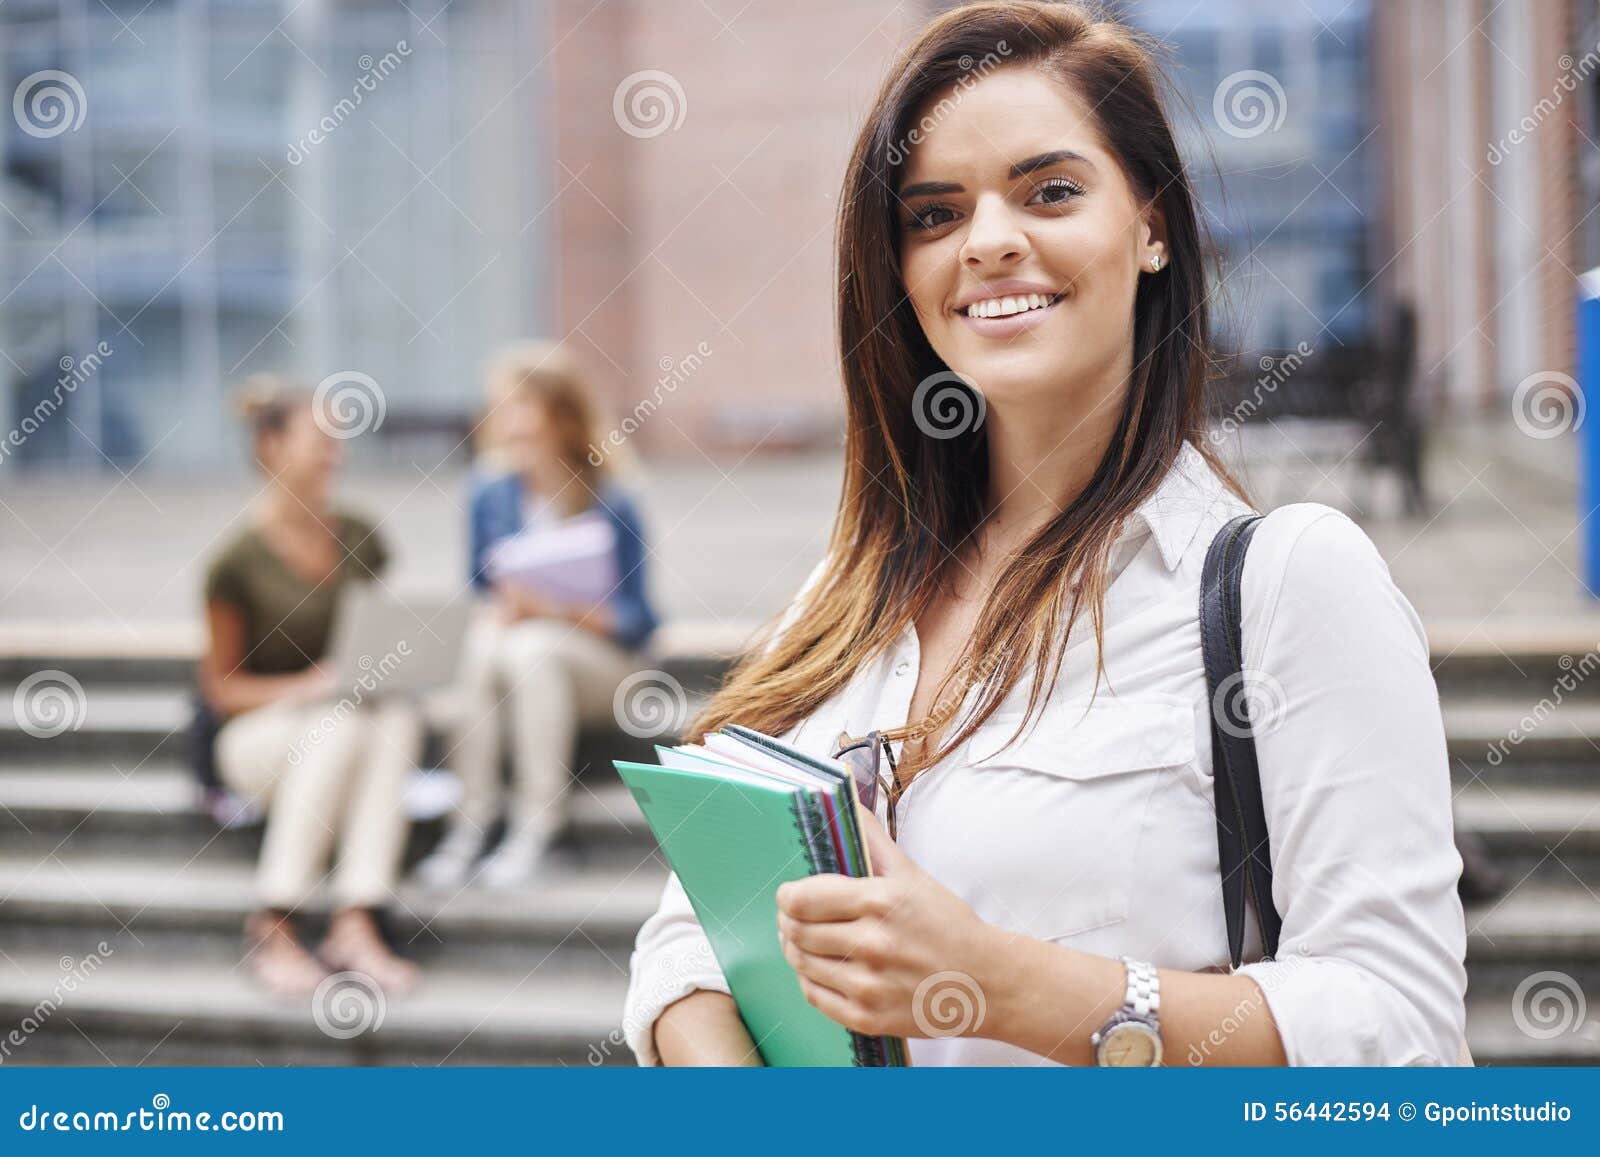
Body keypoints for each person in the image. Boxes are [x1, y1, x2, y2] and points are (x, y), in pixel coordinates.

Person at [624, 0, 1468, 1066]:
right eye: (932, 214)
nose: (987, 242)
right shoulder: (846, 597)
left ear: (1151, 224)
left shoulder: (1289, 582)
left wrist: (995, 981)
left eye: (1050, 191)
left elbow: (1400, 1029)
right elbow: (688, 940)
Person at [200, 375, 422, 999]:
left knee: (394, 714)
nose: (335, 452)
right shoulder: (236, 561)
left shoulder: (360, 535)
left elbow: (373, 633)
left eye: (338, 440)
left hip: (344, 729)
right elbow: (221, 689)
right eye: (320, 438)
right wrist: (309, 686)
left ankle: (356, 921)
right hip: (256, 741)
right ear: (271, 446)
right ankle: (274, 920)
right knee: (342, 719)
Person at [414, 341, 660, 890]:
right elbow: (479, 591)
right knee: (481, 642)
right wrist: (505, 610)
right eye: (498, 406)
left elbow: (641, 620)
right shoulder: (488, 493)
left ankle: (536, 829)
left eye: (519, 405)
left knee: (531, 647)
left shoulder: (611, 496)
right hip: (509, 659)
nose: (505, 421)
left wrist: (552, 610)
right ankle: (470, 823)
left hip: (603, 665)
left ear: (559, 412)